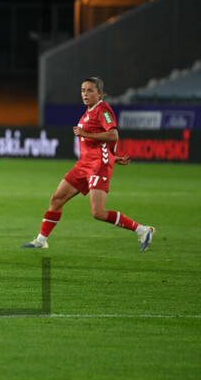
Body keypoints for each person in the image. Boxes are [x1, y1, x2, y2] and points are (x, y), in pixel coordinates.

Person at [21, 76, 155, 250]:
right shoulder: (88, 112)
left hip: (98, 166)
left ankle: (142, 230)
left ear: (99, 93)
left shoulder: (103, 109)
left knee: (98, 212)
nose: (85, 94)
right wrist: (113, 155)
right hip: (83, 165)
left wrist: (87, 134)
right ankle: (40, 241)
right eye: (83, 90)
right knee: (56, 199)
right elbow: (100, 144)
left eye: (90, 90)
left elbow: (113, 135)